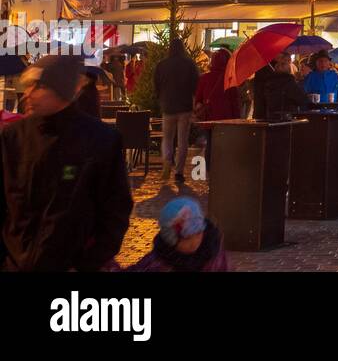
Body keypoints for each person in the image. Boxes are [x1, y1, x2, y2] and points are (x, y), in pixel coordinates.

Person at [0, 55, 133, 271]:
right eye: (28, 85)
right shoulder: (13, 138)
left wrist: (88, 261)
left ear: (60, 92)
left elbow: (115, 209)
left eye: (38, 86)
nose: (28, 94)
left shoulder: (100, 140)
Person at [128, 196, 229, 272]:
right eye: (187, 238)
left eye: (198, 233)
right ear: (172, 241)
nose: (194, 242)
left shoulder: (212, 251)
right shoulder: (160, 260)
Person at [155, 38, 199, 186]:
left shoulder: (162, 65)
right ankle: (179, 172)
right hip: (184, 107)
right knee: (182, 141)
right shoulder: (189, 64)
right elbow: (195, 85)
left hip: (168, 106)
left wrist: (161, 98)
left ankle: (167, 160)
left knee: (167, 138)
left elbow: (157, 85)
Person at [252, 53, 310, 121]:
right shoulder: (289, 83)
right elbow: (303, 99)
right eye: (286, 62)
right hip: (286, 119)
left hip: (270, 118)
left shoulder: (268, 82)